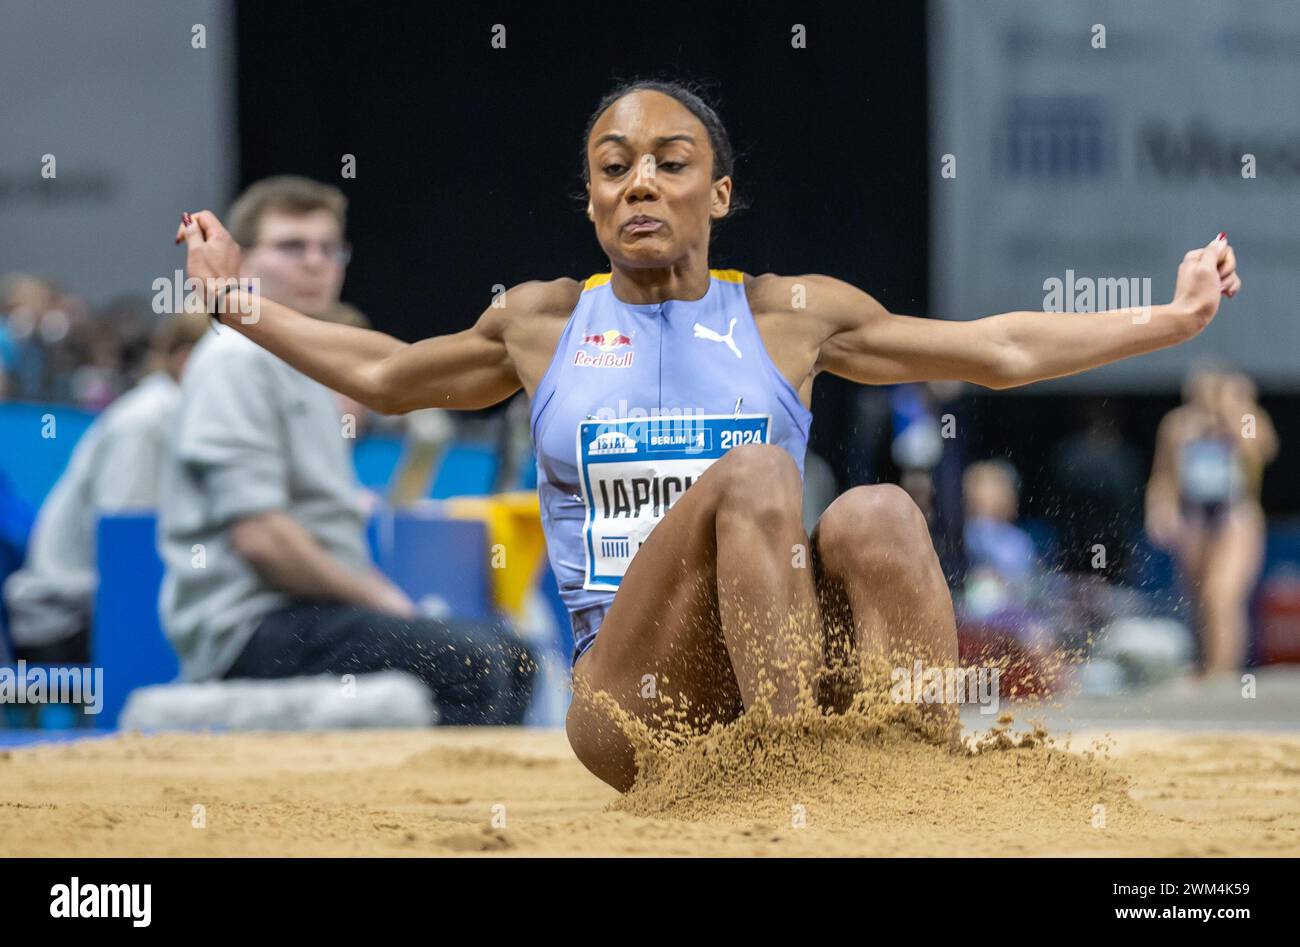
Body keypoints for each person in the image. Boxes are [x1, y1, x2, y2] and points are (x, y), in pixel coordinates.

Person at [175, 81, 1241, 791]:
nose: (639, 180)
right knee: (758, 471)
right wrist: (238, 307)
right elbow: (387, 376)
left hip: (784, 655)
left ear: (718, 192)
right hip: (634, 706)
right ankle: (780, 781)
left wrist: (1168, 318)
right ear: (593, 204)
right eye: (612, 166)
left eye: (670, 162)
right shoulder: (544, 322)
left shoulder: (791, 313)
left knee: (875, 509)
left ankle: (920, 781)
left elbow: (996, 346)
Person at [158, 176, 534, 725]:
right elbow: (260, 537)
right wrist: (383, 601)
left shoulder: (311, 365)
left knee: (514, 657)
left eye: (329, 248)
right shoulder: (234, 359)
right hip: (253, 627)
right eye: (292, 246)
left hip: (316, 613)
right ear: (241, 259)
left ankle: (469, 805)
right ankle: (430, 809)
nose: (315, 263)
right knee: (473, 662)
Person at [3, 313, 209, 664]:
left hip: (110, 608)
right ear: (188, 360)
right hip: (67, 623)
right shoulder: (146, 423)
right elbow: (128, 560)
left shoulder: (185, 416)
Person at [1146, 364, 1276, 673]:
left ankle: (1222, 673)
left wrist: (1232, 413)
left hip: (1234, 515)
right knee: (1198, 597)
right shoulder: (1178, 425)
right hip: (1195, 516)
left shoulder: (1244, 417)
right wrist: (1160, 509)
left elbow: (1262, 451)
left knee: (1222, 595)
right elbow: (1163, 475)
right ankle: (1206, 666)